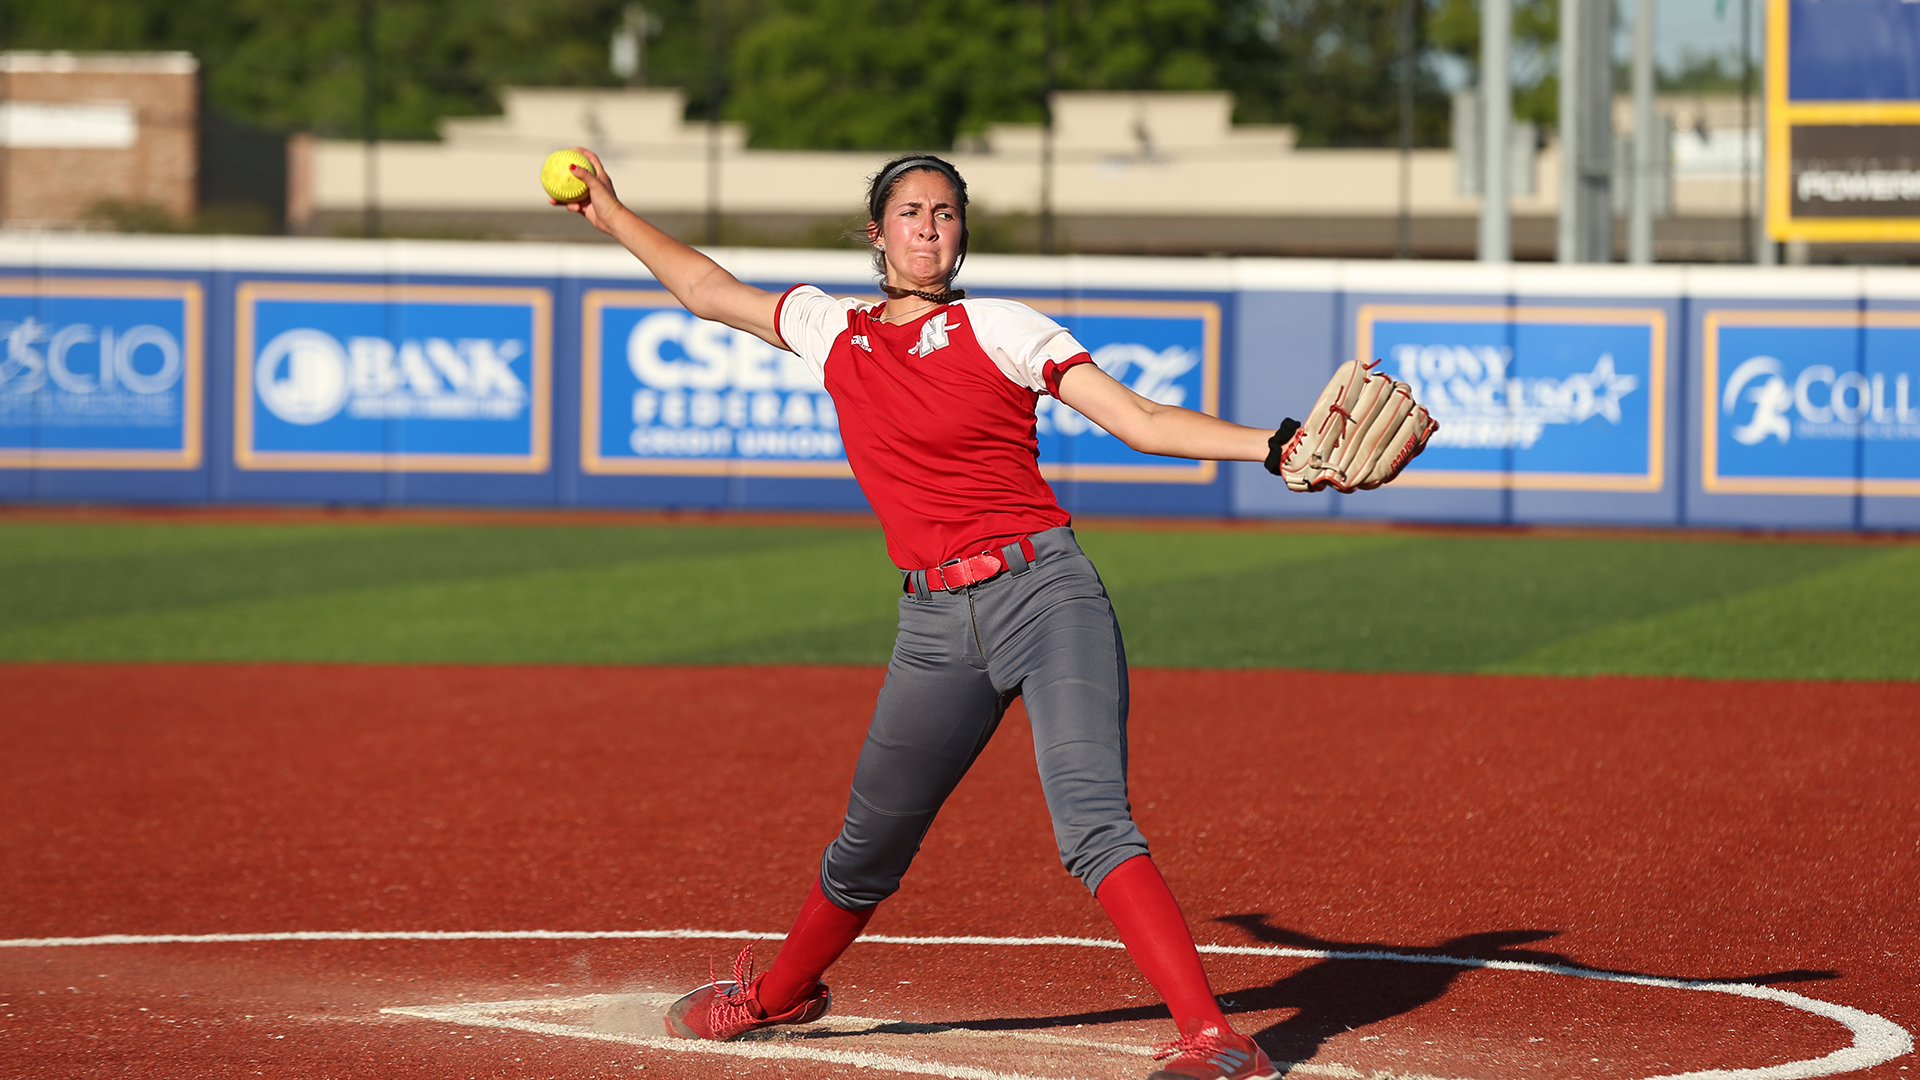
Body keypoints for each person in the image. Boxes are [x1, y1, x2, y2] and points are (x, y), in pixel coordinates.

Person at [555, 149, 1287, 1080]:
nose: (929, 226)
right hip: (935, 626)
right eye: (910, 212)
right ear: (879, 233)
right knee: (868, 845)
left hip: (1046, 594)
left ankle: (1215, 1037)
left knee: (1094, 825)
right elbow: (705, 287)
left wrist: (1273, 444)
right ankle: (779, 994)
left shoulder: (1002, 327)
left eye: (946, 212)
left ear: (962, 232)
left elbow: (1139, 420)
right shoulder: (834, 329)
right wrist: (611, 211)